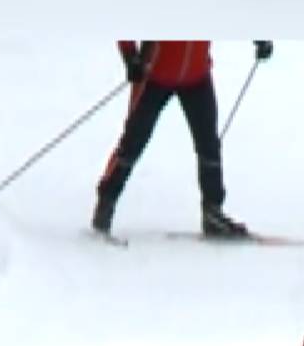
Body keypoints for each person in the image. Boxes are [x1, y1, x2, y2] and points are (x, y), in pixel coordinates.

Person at [93, 41, 271, 240]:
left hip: (197, 77)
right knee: (132, 143)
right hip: (153, 77)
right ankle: (106, 204)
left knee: (208, 145)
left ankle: (213, 212)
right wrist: (130, 58)